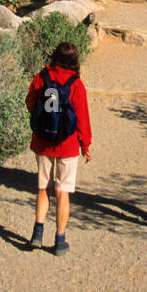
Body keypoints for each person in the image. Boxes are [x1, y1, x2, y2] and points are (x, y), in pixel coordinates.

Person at [25, 40, 92, 255]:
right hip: (68, 144)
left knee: (43, 188)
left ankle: (37, 233)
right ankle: (60, 241)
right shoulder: (76, 84)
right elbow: (82, 117)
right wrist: (85, 144)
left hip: (43, 142)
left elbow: (29, 102)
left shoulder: (42, 76)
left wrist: (42, 121)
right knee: (63, 192)